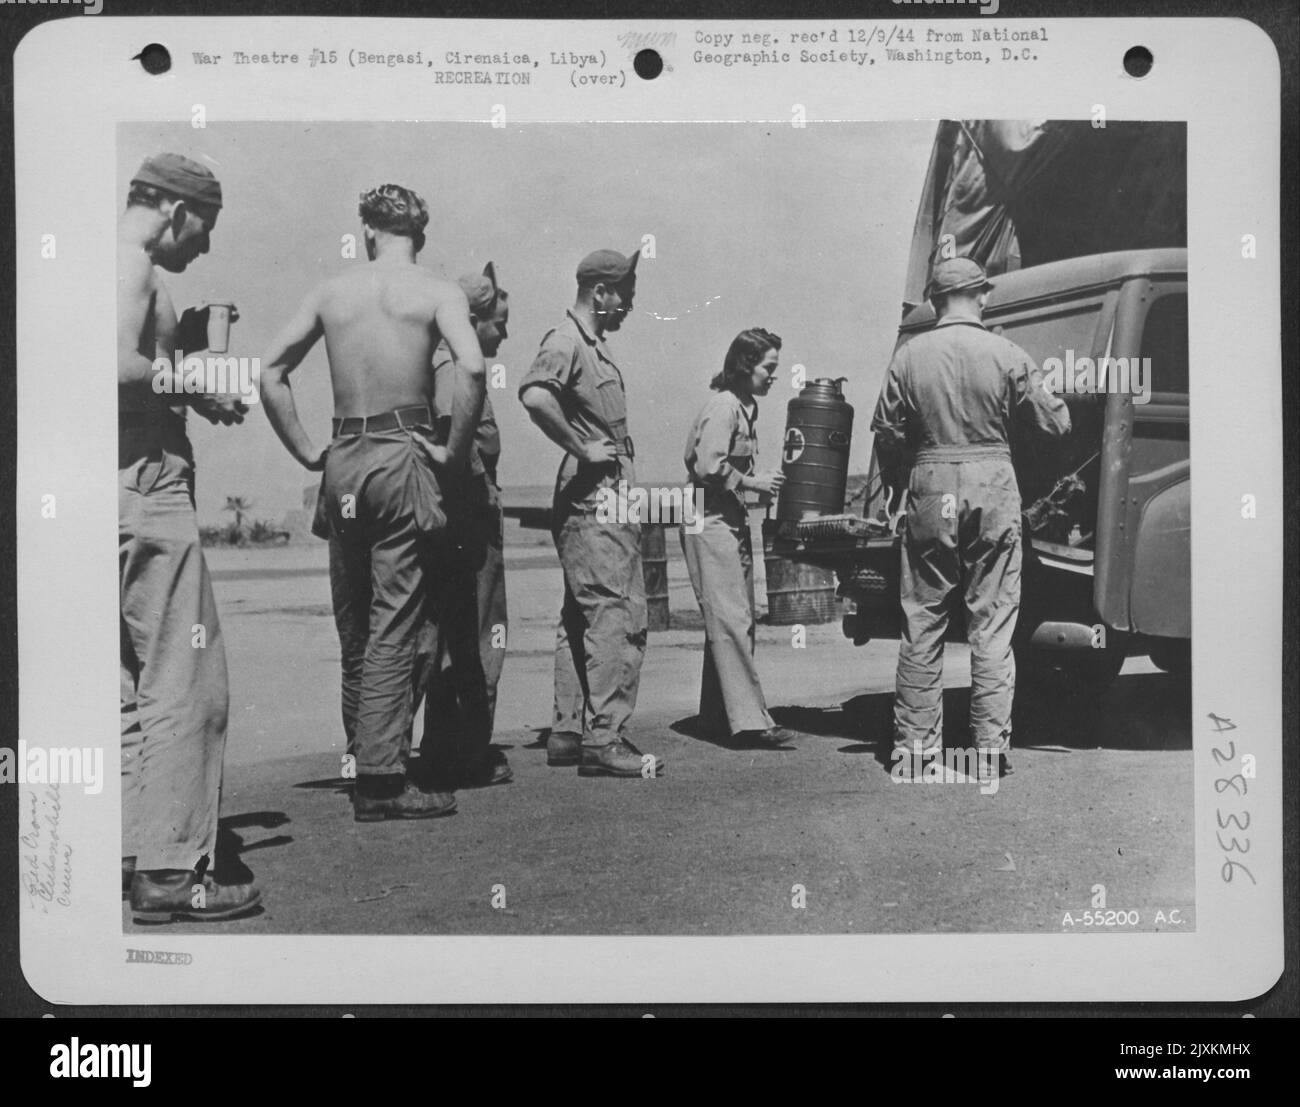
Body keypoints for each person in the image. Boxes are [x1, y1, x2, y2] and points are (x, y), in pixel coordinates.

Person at [260, 183, 485, 821]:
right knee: (395, 620)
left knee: (355, 623)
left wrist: (307, 451)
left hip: (343, 458)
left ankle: (366, 755)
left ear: (367, 231)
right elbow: (470, 369)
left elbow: (269, 370)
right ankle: (382, 780)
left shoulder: (332, 293)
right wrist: (451, 450)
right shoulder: (438, 291)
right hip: (401, 451)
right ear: (420, 234)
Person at [118, 152, 261, 921]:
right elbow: (109, 362)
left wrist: (184, 356)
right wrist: (192, 380)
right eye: (203, 225)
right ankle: (175, 873)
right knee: (186, 678)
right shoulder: (133, 265)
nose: (203, 244)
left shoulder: (98, 266)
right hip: (147, 490)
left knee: (129, 686)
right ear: (175, 210)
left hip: (105, 488)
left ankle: (132, 846)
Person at [870, 256, 1071, 782]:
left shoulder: (910, 356)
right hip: (991, 482)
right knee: (992, 624)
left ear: (937, 300)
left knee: (923, 621)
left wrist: (897, 485)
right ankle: (987, 751)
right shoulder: (1005, 351)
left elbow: (887, 434)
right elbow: (1056, 423)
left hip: (930, 485)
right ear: (979, 295)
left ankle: (914, 752)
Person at [518, 249, 664, 778]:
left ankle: (567, 729)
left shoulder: (589, 346)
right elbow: (535, 396)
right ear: (599, 292)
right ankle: (604, 738)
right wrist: (583, 449)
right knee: (615, 611)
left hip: (600, 488)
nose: (628, 304)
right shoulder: (566, 341)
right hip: (595, 488)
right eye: (623, 293)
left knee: (580, 612)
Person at [413, 263, 513, 789]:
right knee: (476, 638)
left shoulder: (444, 365)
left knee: (455, 641)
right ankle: (465, 753)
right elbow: (459, 451)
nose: (504, 332)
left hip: (458, 521)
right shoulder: (456, 371)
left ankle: (446, 749)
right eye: (499, 320)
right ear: (472, 320)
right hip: (468, 524)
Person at [681, 328, 797, 747]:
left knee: (734, 618)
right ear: (746, 366)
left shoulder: (743, 408)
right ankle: (750, 721)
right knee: (731, 619)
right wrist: (754, 482)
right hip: (707, 518)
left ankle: (717, 716)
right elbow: (708, 467)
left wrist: (752, 487)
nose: (773, 376)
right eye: (769, 367)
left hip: (725, 516)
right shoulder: (724, 407)